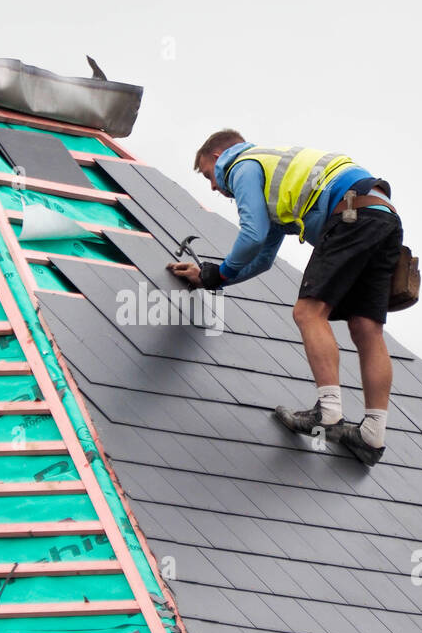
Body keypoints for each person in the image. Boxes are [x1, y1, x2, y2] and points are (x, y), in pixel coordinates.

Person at [168, 132, 403, 466]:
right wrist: (214, 277)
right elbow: (262, 257)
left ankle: (329, 413)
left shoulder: (242, 165)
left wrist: (216, 274)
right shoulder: (273, 176)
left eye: (209, 175)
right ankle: (372, 435)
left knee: (308, 312)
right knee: (366, 327)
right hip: (382, 213)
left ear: (219, 154)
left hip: (349, 211)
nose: (213, 187)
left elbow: (250, 236)